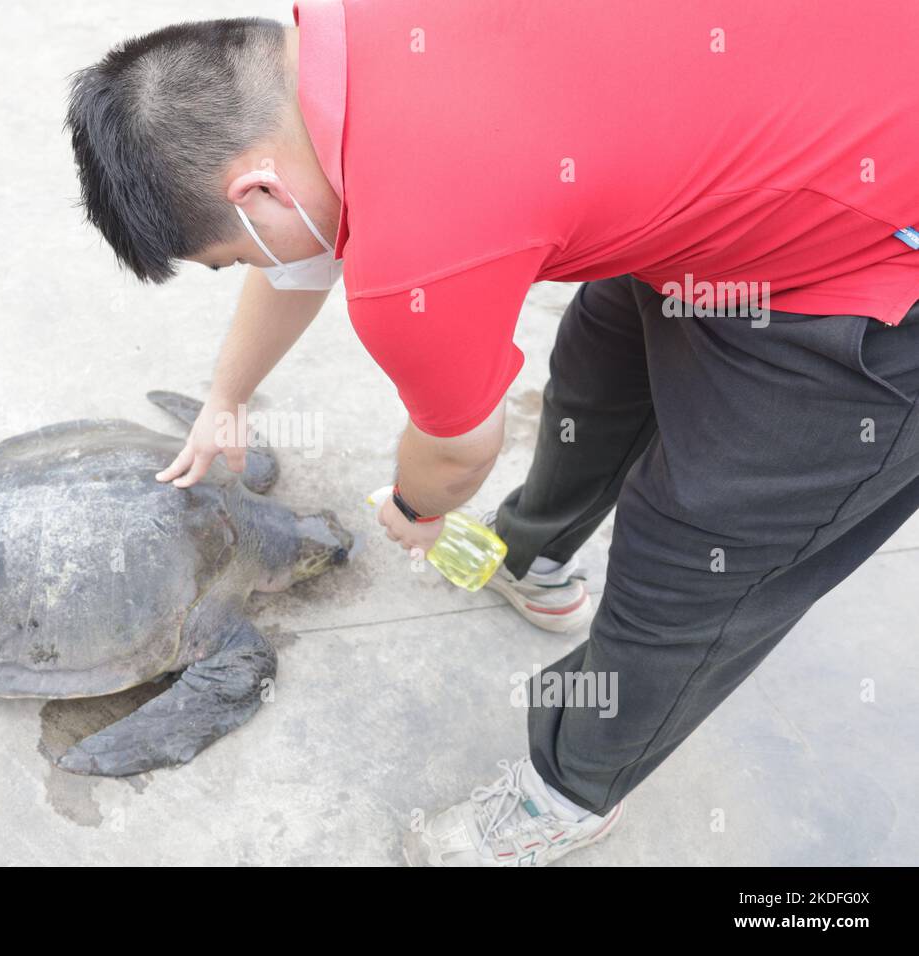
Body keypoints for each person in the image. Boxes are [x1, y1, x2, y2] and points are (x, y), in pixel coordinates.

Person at [65, 0, 919, 866]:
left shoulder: (417, 263)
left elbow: (456, 452)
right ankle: (529, 558)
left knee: (696, 561)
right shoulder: (341, 51)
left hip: (883, 250)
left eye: (240, 256)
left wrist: (414, 506)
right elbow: (304, 249)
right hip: (767, 140)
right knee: (600, 361)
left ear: (256, 190)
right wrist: (226, 396)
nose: (261, 268)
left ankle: (572, 789)